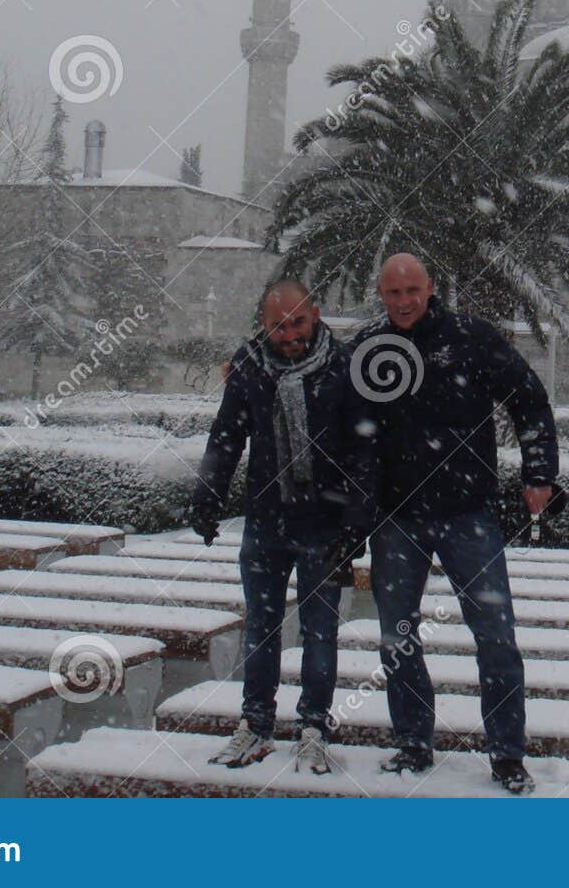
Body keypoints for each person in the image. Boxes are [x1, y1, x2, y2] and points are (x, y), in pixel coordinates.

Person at [351, 253, 558, 795]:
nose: (403, 302)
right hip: (397, 520)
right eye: (393, 294)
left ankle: (508, 755)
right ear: (381, 293)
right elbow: (326, 399)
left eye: (412, 290)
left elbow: (530, 401)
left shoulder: (471, 336)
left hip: (468, 516)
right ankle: (414, 743)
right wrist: (249, 364)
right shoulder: (369, 347)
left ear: (431, 287)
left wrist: (540, 473)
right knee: (397, 638)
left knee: (496, 637)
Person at [189, 278, 374, 773]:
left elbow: (363, 449)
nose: (289, 334)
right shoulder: (250, 365)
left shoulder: (345, 365)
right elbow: (226, 436)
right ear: (263, 324)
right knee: (261, 628)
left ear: (314, 314)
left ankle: (313, 726)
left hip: (325, 523)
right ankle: (256, 724)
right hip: (267, 519)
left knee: (319, 633)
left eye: (297, 322)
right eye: (278, 325)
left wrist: (357, 522)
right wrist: (206, 498)